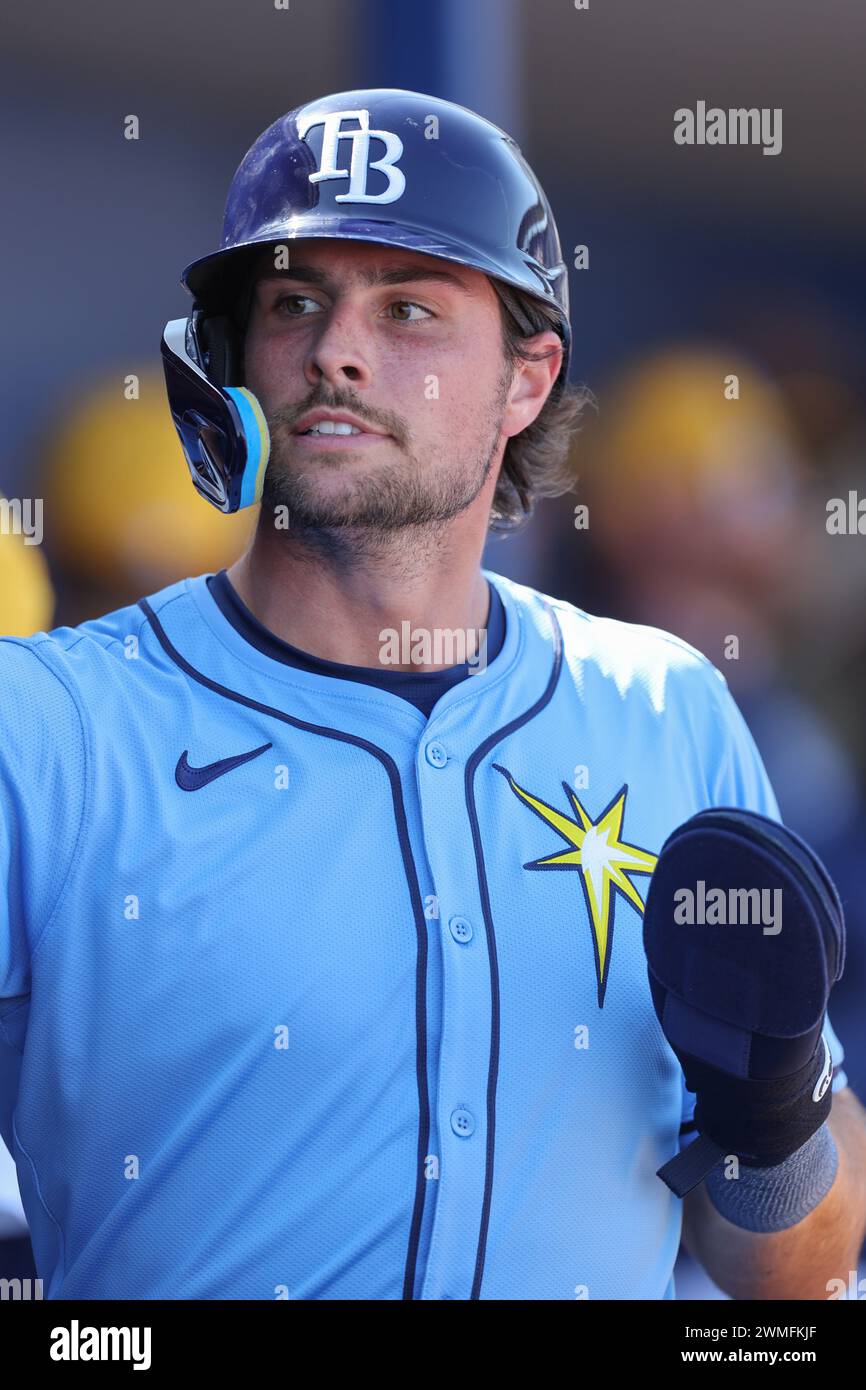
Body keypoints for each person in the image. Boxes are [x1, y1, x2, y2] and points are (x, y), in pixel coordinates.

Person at [1, 88, 863, 1301]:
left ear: (526, 380)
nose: (336, 351)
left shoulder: (665, 706)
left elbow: (795, 1278)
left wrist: (772, 1116)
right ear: (231, 358)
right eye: (296, 303)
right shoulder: (48, 726)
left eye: (408, 308)